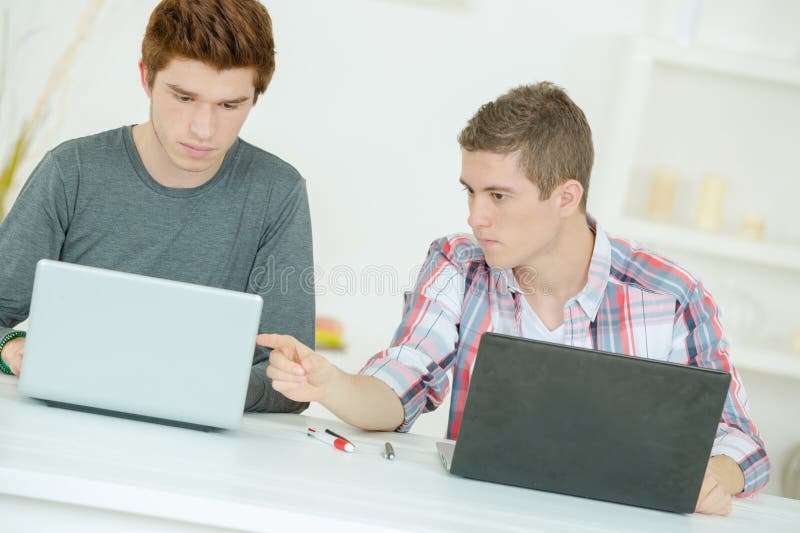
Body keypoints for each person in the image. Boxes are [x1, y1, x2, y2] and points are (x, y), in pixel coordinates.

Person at [259, 82, 770, 515]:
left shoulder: (670, 295)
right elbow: (399, 387)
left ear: (566, 197)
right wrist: (331, 384)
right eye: (471, 192)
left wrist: (709, 475)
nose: (476, 217)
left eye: (498, 196)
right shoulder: (458, 265)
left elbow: (742, 442)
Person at [0, 0, 314, 414]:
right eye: (183, 98)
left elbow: (290, 379)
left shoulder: (278, 192)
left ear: (255, 96)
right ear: (146, 78)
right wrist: (10, 347)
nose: (203, 130)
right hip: (66, 426)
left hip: (202, 445)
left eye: (229, 106)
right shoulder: (71, 170)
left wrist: (181, 386)